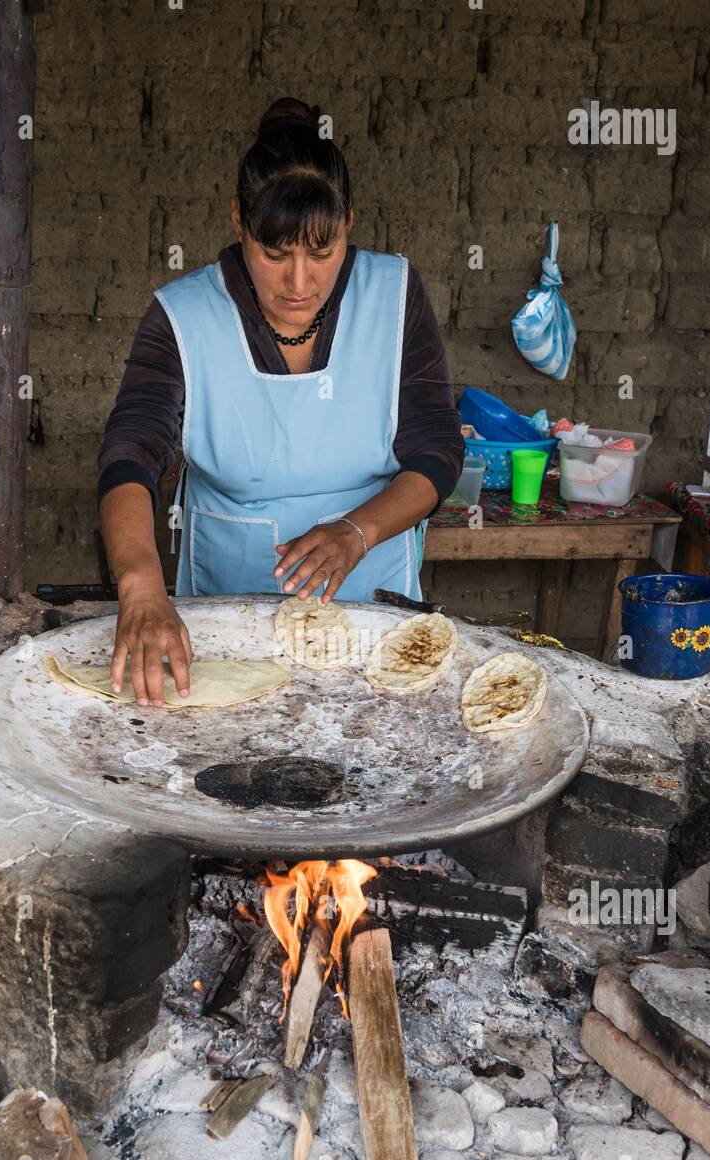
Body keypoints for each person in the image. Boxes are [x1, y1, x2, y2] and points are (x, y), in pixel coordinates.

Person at [98, 97, 463, 707]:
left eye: (322, 253)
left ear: (349, 223)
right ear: (240, 221)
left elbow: (437, 452)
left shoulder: (395, 296)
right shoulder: (182, 315)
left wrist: (355, 531)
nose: (299, 284)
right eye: (275, 254)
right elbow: (131, 453)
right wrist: (139, 588)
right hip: (221, 612)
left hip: (369, 604)